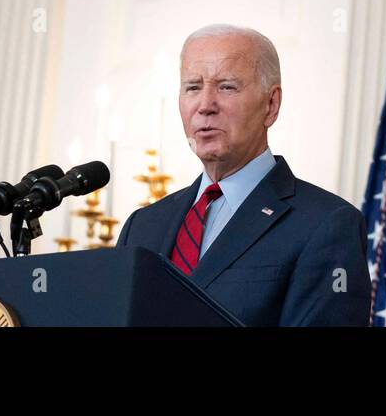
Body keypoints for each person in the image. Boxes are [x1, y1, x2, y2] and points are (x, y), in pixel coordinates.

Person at [116, 24, 371, 325]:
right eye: (193, 87)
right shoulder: (142, 226)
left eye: (227, 86)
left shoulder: (327, 224)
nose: (205, 106)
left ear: (271, 104)